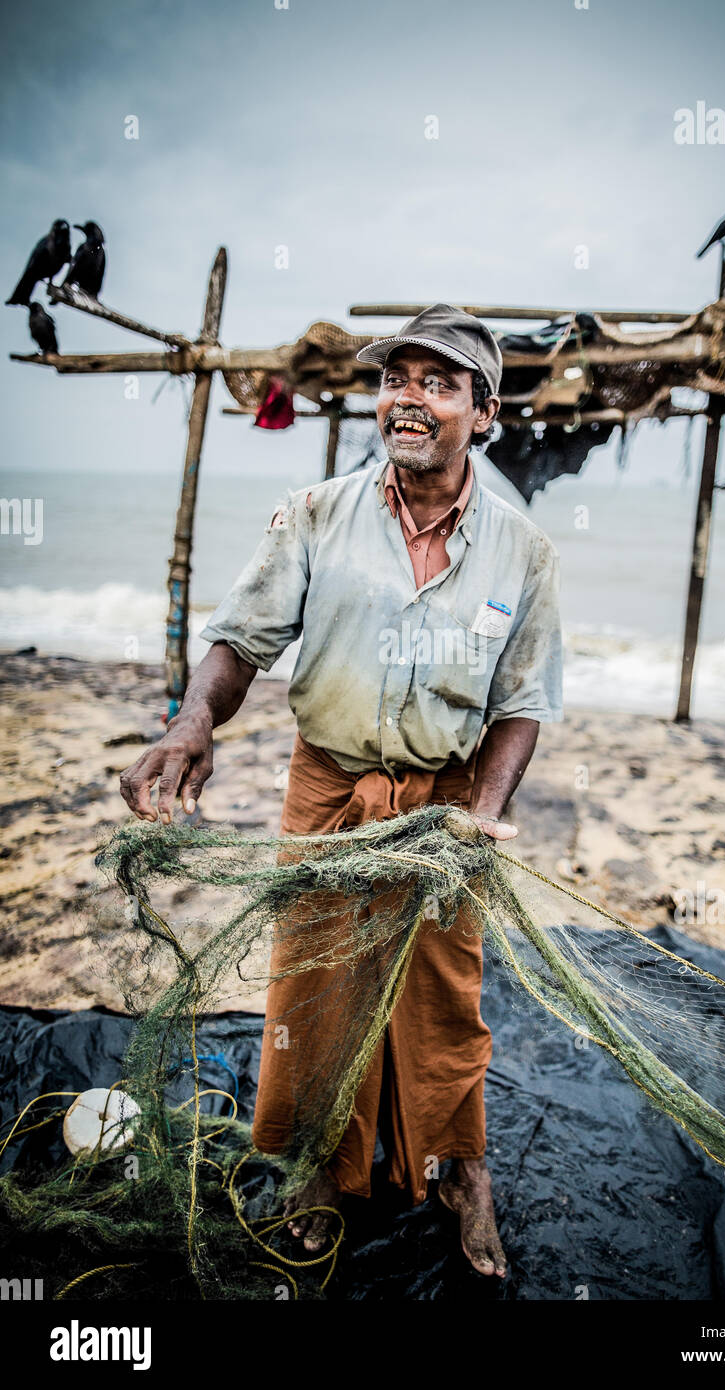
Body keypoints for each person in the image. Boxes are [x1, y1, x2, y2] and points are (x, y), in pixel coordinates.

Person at [120, 303, 563, 1277]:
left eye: (435, 383)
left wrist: (485, 809)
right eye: (394, 379)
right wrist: (192, 722)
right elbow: (239, 641)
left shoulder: (522, 552)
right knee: (313, 984)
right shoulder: (312, 515)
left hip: (445, 800)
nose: (407, 399)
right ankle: (316, 1166)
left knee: (444, 992)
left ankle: (455, 1168)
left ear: (481, 412)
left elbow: (523, 701)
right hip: (327, 786)